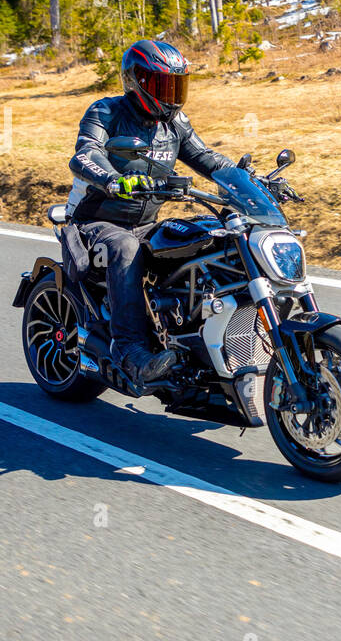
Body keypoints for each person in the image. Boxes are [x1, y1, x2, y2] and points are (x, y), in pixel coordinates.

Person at [64, 39, 234, 384]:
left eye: (177, 85)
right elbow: (84, 154)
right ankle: (128, 350)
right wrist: (112, 179)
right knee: (125, 248)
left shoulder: (175, 124)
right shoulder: (106, 112)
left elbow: (208, 160)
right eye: (161, 85)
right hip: (96, 220)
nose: (171, 95)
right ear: (136, 81)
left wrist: (251, 182)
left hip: (144, 223)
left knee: (206, 237)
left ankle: (197, 338)